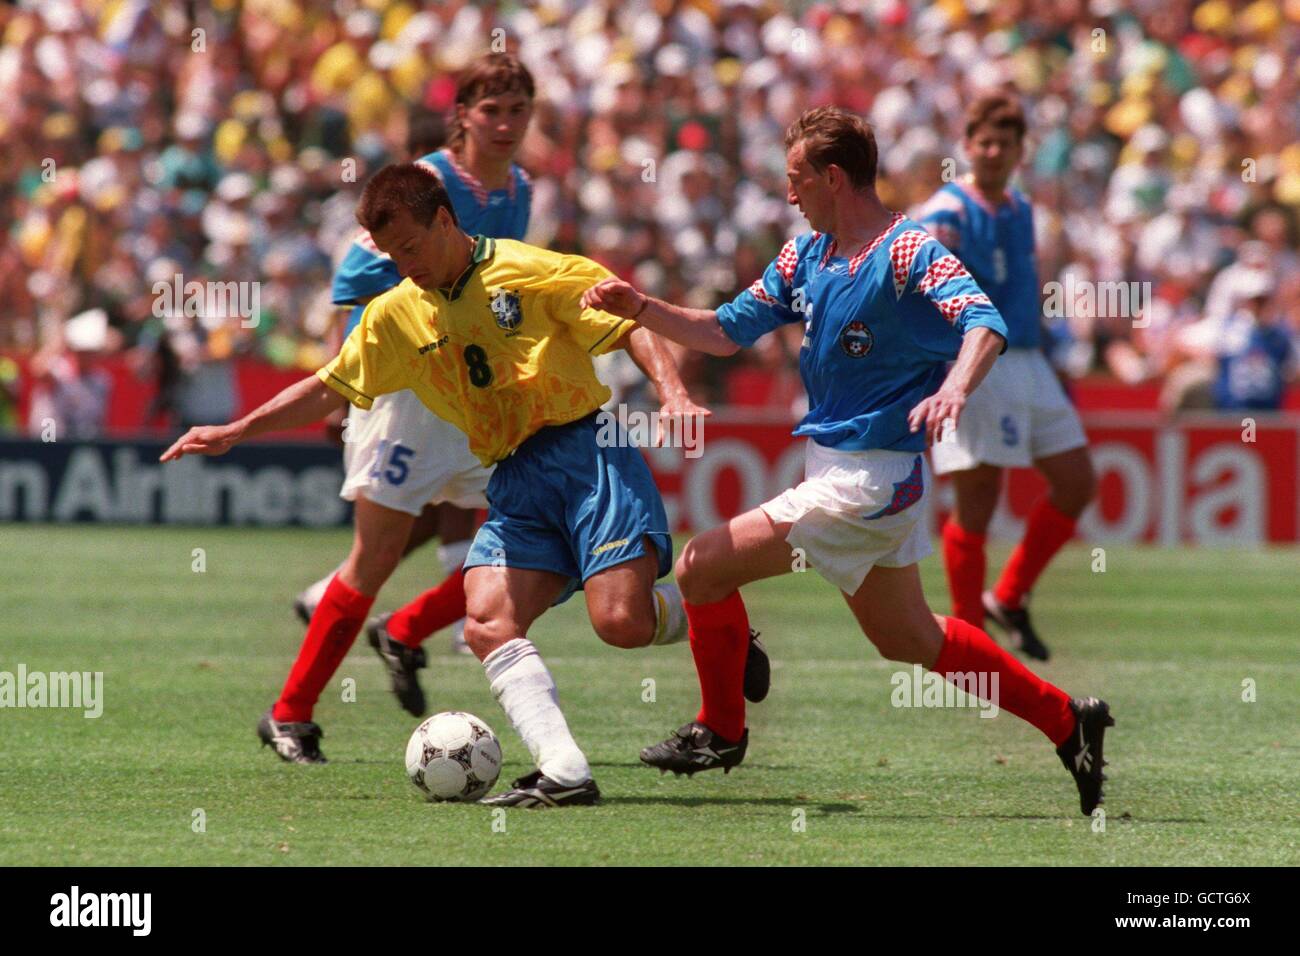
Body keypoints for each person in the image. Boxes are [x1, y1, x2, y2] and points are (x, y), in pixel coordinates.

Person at [161, 162, 769, 807]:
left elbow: (629, 323)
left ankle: (715, 617)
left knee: (620, 623)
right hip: (512, 477)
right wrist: (236, 429)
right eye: (393, 255)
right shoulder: (395, 314)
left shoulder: (531, 269)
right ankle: (565, 773)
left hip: (588, 455)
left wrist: (672, 395)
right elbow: (328, 385)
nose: (406, 265)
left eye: (413, 248)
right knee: (486, 621)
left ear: (446, 221)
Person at [581, 106, 1113, 816]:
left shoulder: (906, 252)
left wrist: (954, 387)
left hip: (873, 481)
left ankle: (721, 729)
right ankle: (1067, 721)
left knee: (701, 566)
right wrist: (641, 305)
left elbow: (986, 323)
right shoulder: (806, 256)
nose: (789, 192)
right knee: (908, 639)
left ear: (834, 178)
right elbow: (724, 331)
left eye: (796, 177)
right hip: (843, 473)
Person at [295, 55, 535, 722]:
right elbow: (352, 278)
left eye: (519, 109)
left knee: (536, 532)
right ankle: (296, 706)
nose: (507, 123)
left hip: (468, 383)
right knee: (377, 553)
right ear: (462, 116)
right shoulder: (428, 180)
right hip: (406, 384)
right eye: (492, 110)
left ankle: (400, 630)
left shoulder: (520, 186)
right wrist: (341, 379)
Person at [916, 94, 1096, 661]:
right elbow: (917, 288)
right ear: (966, 146)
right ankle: (968, 635)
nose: (993, 152)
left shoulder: (1020, 208)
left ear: (1021, 152)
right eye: (984, 142)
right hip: (976, 359)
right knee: (979, 497)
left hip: (1030, 359)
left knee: (1077, 481)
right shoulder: (944, 211)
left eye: (1005, 144)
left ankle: (1010, 597)